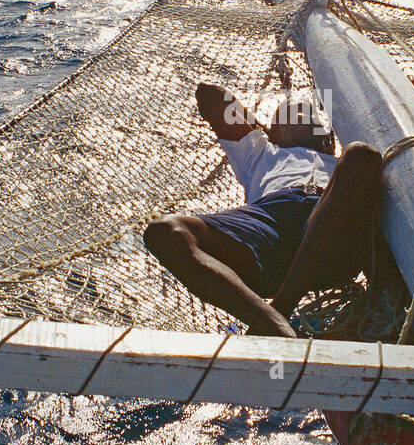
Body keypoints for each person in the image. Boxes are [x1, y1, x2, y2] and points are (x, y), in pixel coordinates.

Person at [144, 83, 383, 339]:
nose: (302, 117)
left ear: (327, 133)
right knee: (165, 230)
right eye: (290, 116)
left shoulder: (343, 164)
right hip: (267, 223)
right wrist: (254, 127)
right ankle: (271, 322)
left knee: (362, 155)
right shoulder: (259, 153)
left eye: (309, 116)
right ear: (274, 131)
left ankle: (281, 308)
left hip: (332, 223)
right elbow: (209, 95)